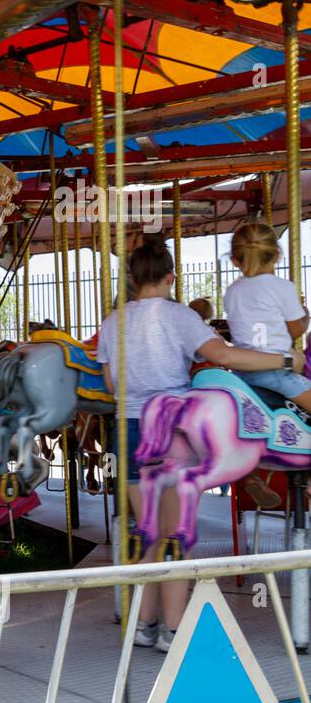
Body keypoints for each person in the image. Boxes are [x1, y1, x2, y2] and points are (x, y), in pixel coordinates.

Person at [97, 239, 304, 653]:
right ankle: (174, 630)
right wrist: (283, 362)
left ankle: (144, 623)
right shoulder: (179, 317)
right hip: (172, 429)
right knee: (175, 534)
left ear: (133, 279)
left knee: (150, 530)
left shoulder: (113, 322)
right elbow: (224, 355)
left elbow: (110, 384)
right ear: (171, 277)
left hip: (127, 429)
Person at [222, 222, 311, 415]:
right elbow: (295, 331)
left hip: (242, 373)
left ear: (234, 260)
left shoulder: (232, 291)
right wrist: (306, 315)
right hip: (277, 370)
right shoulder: (282, 287)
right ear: (277, 255)